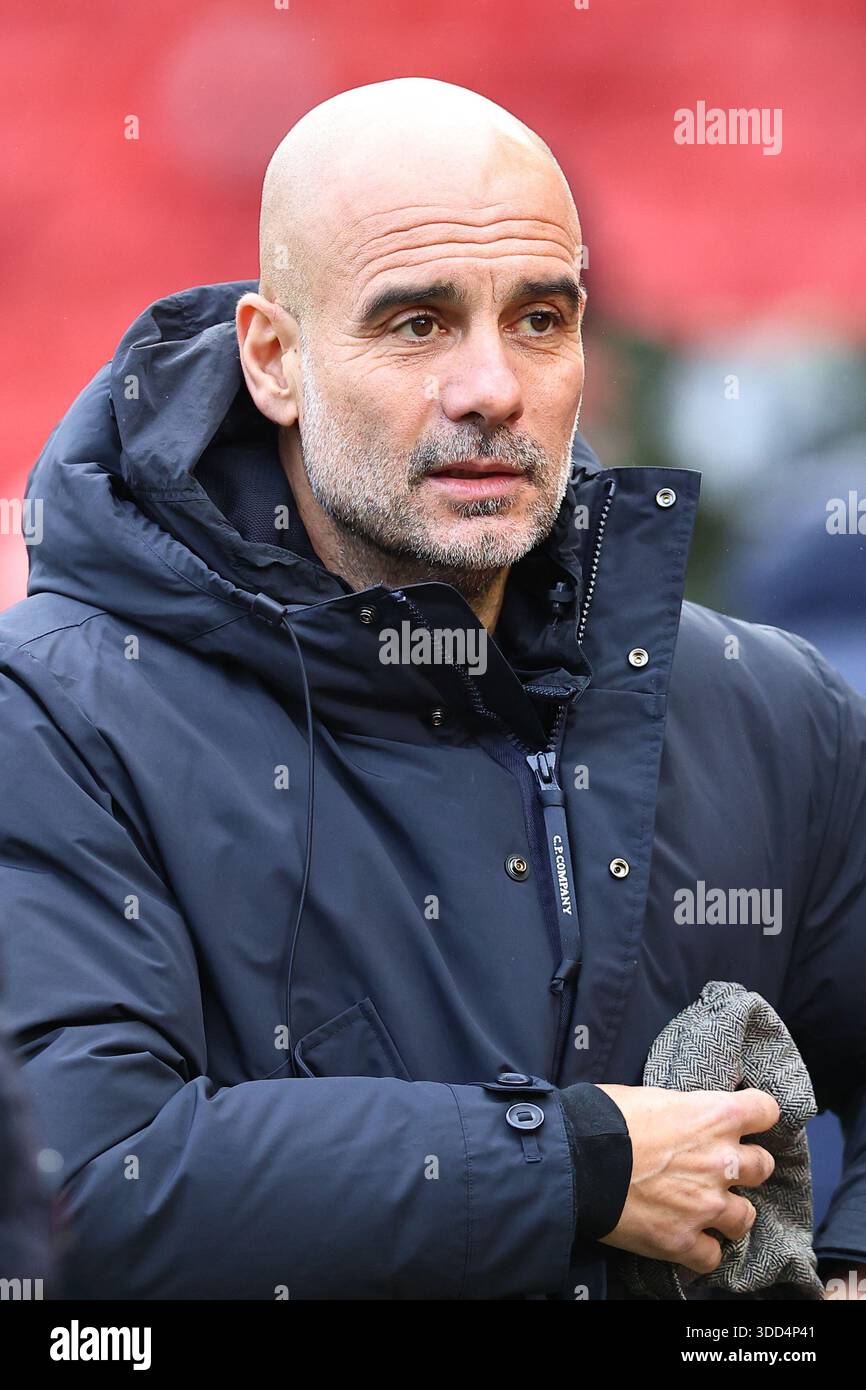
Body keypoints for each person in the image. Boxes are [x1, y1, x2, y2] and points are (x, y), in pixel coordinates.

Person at [1, 77, 864, 1301]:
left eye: (538, 319)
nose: (490, 388)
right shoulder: (52, 715)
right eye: (415, 323)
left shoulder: (768, 707)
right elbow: (81, 1187)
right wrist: (576, 1166)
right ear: (274, 359)